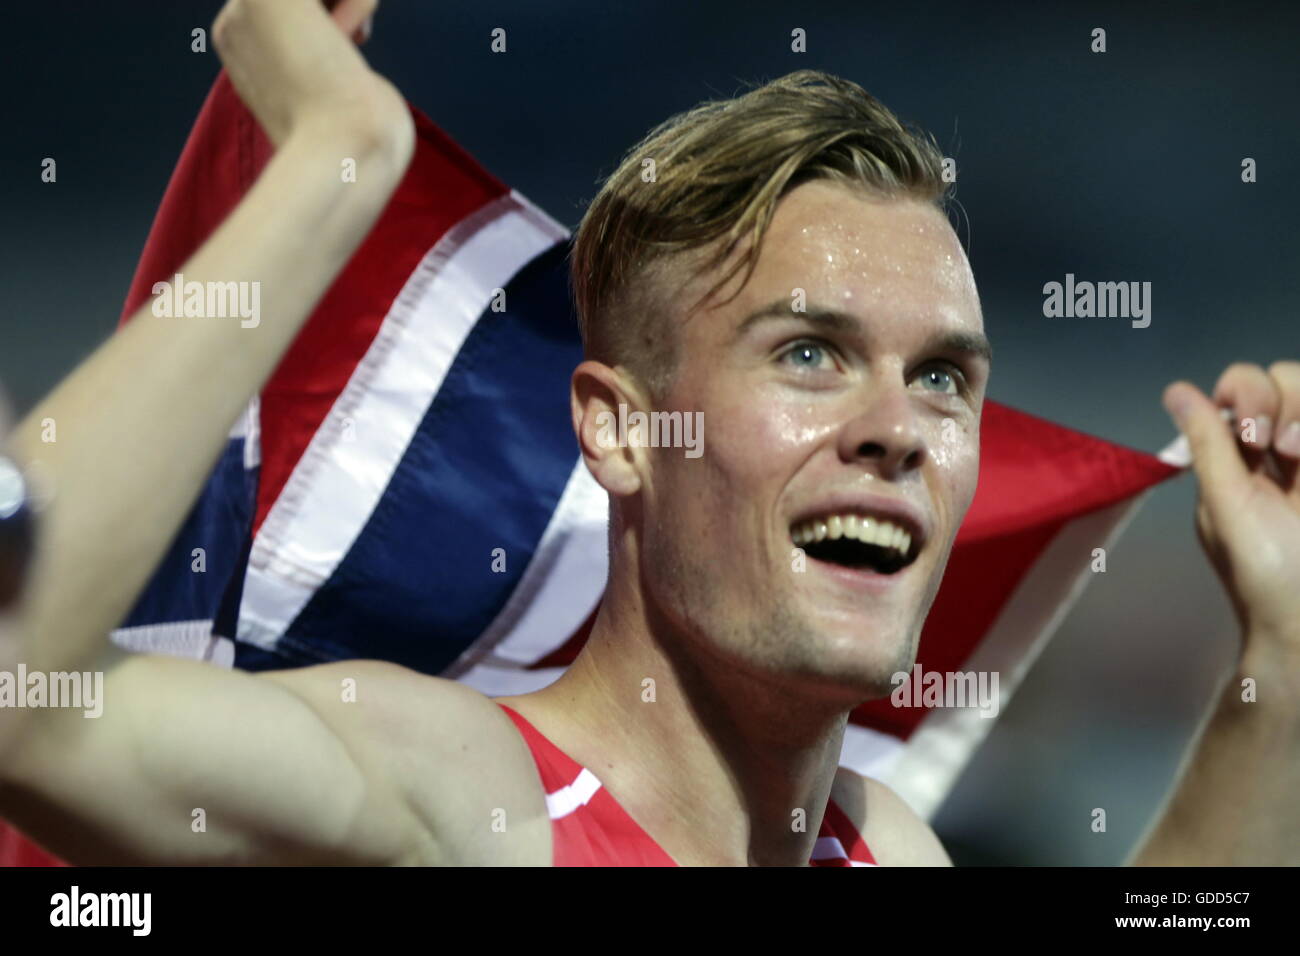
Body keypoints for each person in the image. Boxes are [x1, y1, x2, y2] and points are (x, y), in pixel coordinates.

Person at [0, 0, 1296, 866]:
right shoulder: (466, 796)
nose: (899, 429)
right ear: (621, 433)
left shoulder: (877, 849)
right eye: (809, 354)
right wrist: (340, 156)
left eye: (946, 378)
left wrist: (1282, 655)